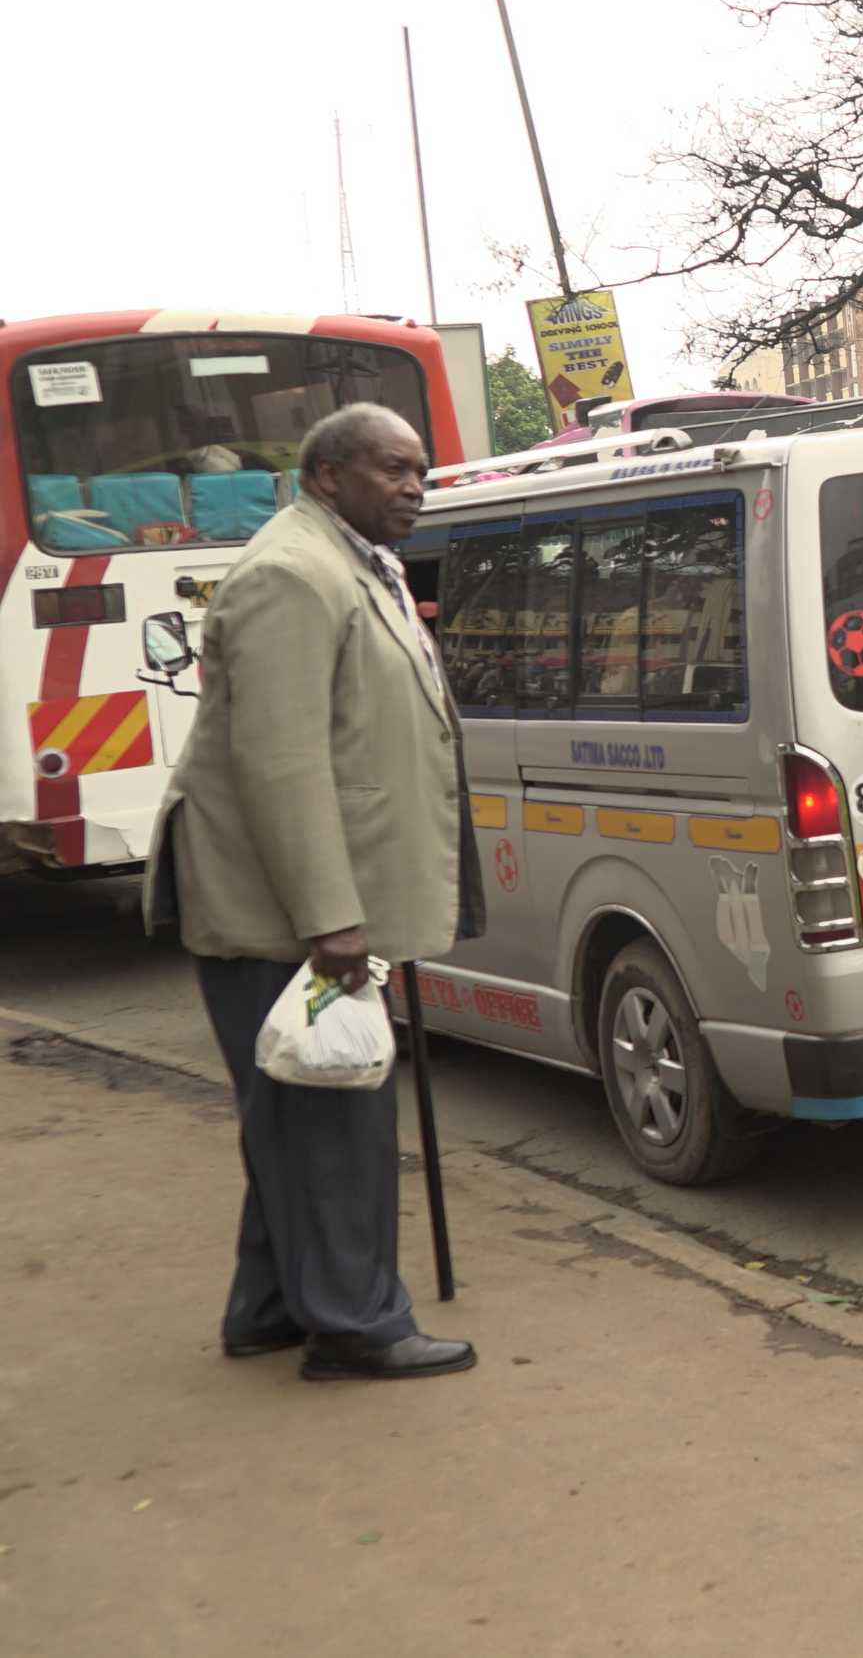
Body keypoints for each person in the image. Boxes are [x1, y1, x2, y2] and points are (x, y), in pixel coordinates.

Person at [144, 402, 482, 1381]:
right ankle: (354, 1327)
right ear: (329, 476)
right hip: (284, 916)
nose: (415, 486)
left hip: (305, 907)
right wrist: (332, 919)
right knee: (332, 1119)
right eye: (392, 469)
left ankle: (269, 1308)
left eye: (420, 469)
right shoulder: (294, 574)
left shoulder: (347, 558)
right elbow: (281, 762)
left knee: (294, 1110)